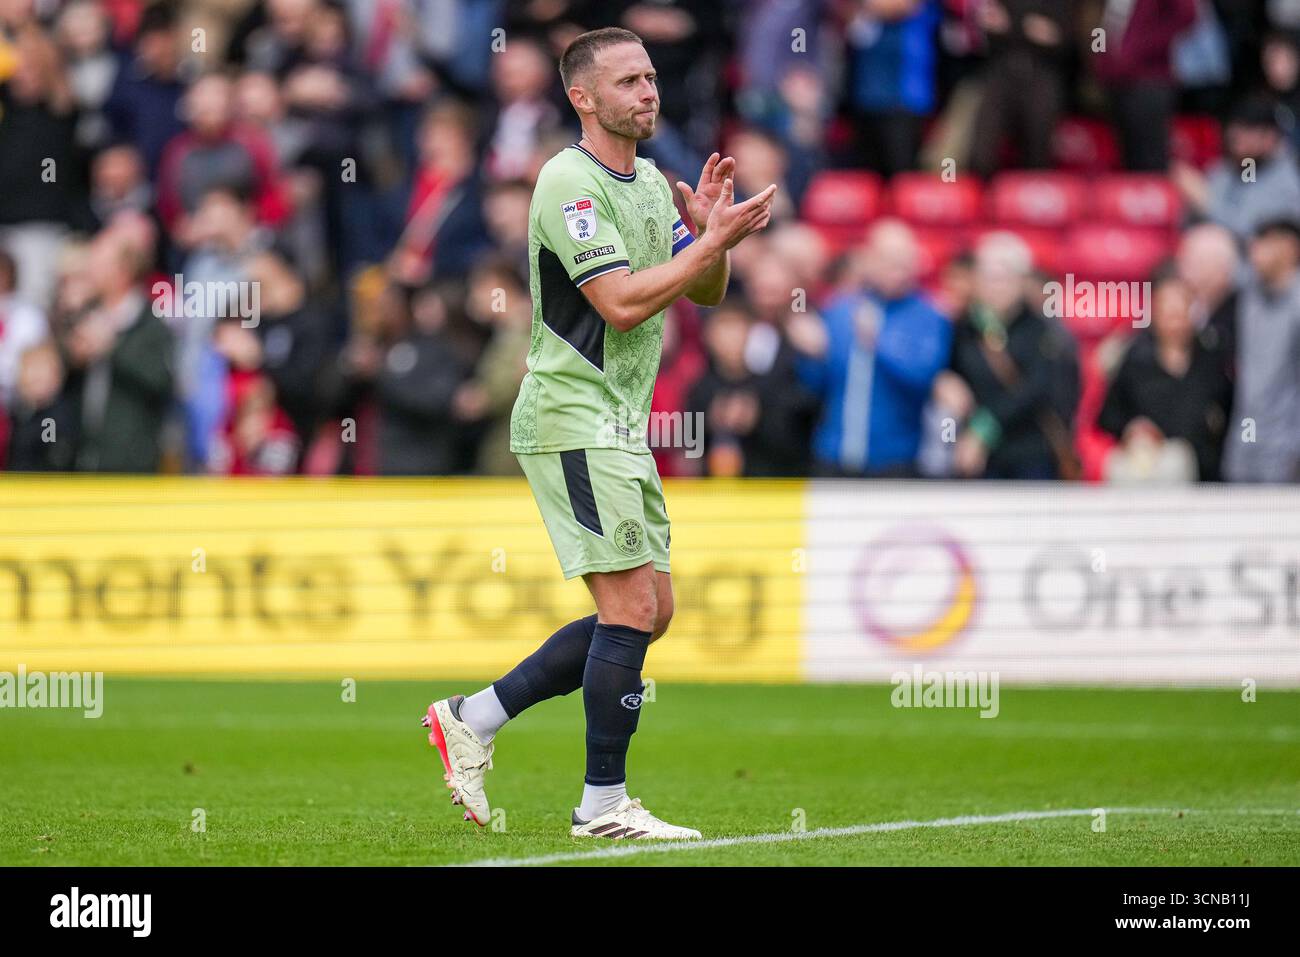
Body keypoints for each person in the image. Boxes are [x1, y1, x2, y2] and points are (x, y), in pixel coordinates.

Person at [421, 27, 776, 841]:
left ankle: (472, 715)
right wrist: (707, 249)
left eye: (651, 78)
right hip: (573, 414)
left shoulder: (651, 181)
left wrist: (711, 237)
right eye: (627, 81)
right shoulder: (568, 184)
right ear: (584, 97)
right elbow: (619, 302)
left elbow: (706, 293)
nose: (648, 92)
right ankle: (602, 804)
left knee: (652, 611)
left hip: (619, 422)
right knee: (627, 610)